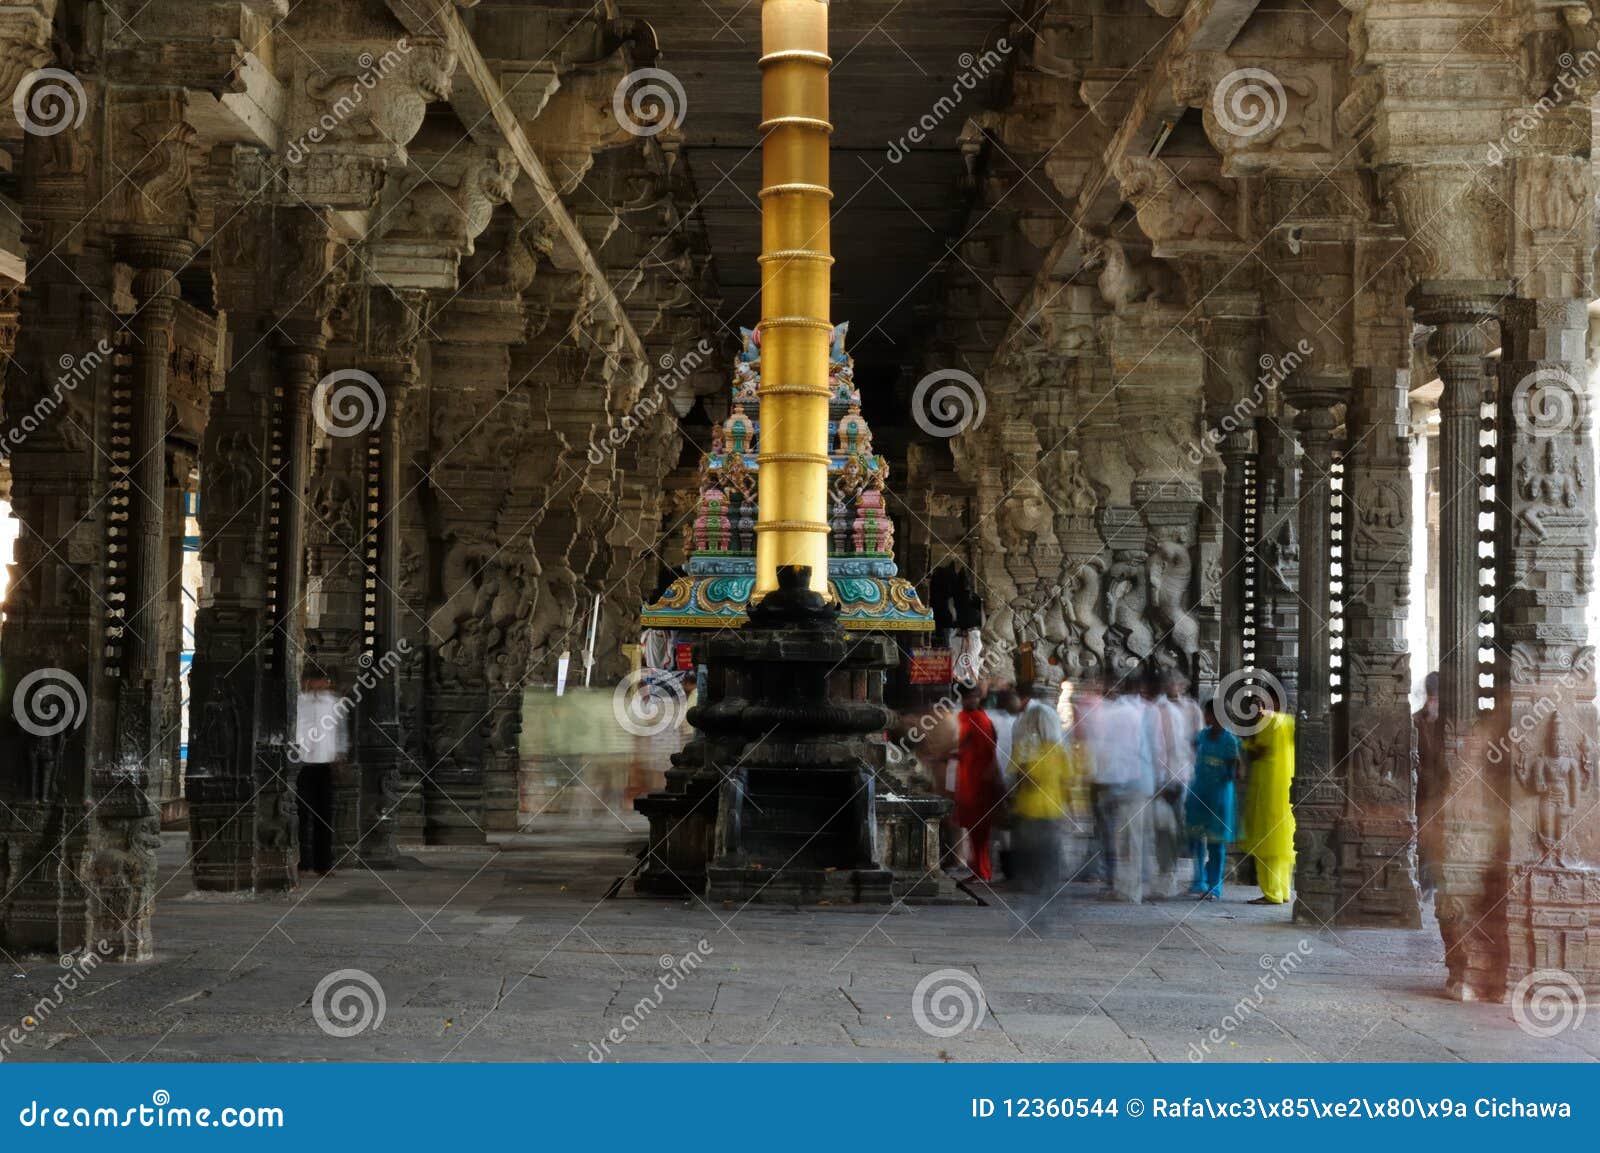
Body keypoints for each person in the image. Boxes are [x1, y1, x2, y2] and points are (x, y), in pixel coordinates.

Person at [1007, 680, 1071, 916]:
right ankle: (1034, 880)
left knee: (1044, 839)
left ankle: (1048, 882)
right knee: (1029, 839)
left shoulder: (1041, 714)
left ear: (1021, 696)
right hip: (1026, 788)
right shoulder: (1023, 717)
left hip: (1043, 787)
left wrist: (1033, 773)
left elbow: (1053, 747)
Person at [1086, 673, 1148, 903]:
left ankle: (1114, 883)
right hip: (1130, 780)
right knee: (1128, 838)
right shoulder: (1134, 713)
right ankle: (1128, 886)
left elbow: (1096, 747)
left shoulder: (1105, 714)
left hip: (1107, 781)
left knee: (1110, 837)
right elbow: (1140, 747)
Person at [1239, 688, 1295, 905]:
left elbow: (1255, 751)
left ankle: (1272, 893)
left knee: (1268, 842)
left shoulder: (1273, 722)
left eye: (1262, 702)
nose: (1259, 708)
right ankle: (1282, 891)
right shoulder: (1287, 723)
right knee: (1282, 842)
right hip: (1282, 789)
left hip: (1269, 790)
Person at [294, 672, 348, 876]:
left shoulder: (334, 703)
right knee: (301, 816)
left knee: (324, 816)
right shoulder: (299, 702)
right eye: (315, 681)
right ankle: (302, 862)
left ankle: (323, 864)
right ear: (308, 682)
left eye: (322, 681)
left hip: (326, 765)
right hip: (302, 764)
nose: (319, 685)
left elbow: (341, 732)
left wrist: (340, 755)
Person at [1187, 699, 1242, 900]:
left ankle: (1214, 886)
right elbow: (1192, 751)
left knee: (1216, 843)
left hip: (1220, 795)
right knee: (1196, 838)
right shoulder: (1201, 736)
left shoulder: (1230, 741)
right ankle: (1199, 881)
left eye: (1208, 714)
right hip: (1200, 791)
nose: (1205, 717)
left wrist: (1232, 768)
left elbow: (1236, 771)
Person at [954, 684, 1003, 882]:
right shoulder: (964, 718)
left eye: (974, 696)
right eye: (969, 697)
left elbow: (988, 751)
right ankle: (978, 869)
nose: (972, 700)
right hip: (966, 777)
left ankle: (983, 871)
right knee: (972, 827)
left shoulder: (981, 719)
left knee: (980, 828)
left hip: (980, 779)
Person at [1413, 671, 1442, 897]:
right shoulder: (1416, 720)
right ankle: (1427, 882)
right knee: (1424, 833)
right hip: (1423, 790)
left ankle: (1433, 882)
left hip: (1443, 790)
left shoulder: (1447, 724)